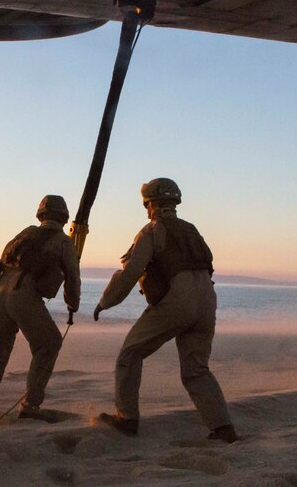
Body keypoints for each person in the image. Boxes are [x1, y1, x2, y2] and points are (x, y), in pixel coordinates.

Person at [93, 178, 238, 443]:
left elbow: (131, 272)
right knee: (196, 369)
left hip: (177, 302)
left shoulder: (151, 231)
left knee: (130, 353)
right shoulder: (192, 230)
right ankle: (223, 428)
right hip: (207, 301)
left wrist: (104, 302)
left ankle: (126, 419)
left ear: (150, 204)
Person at [0, 195, 80, 421]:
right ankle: (30, 405)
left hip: (1, 292)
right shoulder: (63, 241)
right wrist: (73, 304)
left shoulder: (25, 234)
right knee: (49, 344)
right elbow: (73, 277)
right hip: (24, 294)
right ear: (63, 217)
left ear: (41, 215)